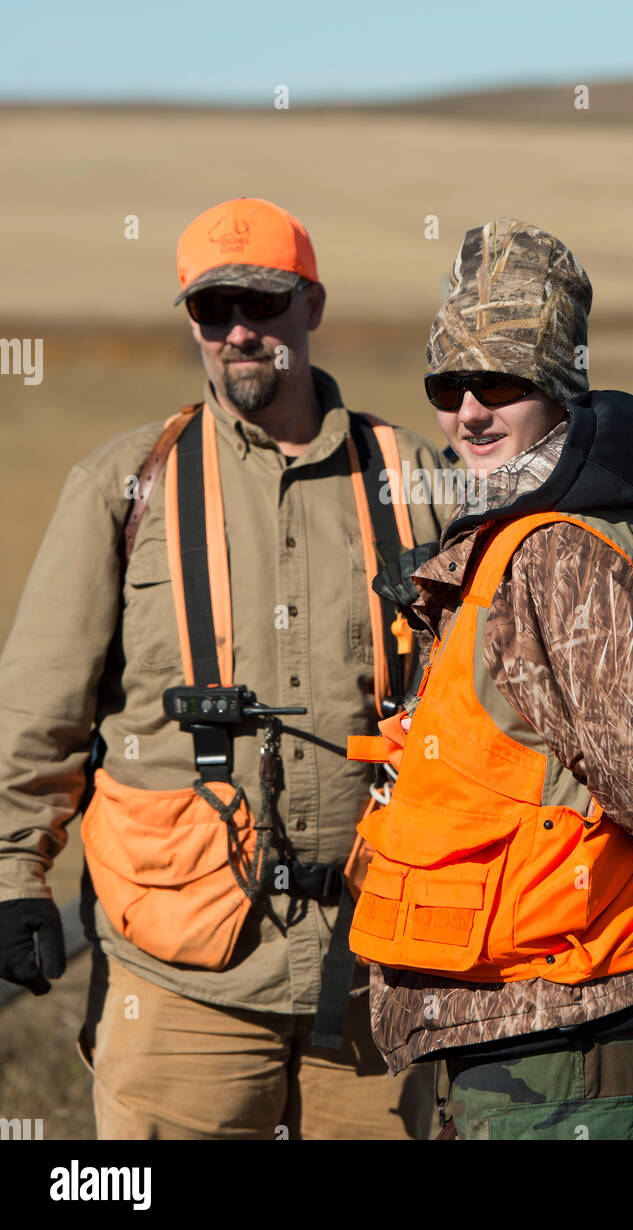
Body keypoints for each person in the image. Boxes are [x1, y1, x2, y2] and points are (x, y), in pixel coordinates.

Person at [0, 196, 454, 1140]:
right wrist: (13, 874)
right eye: (213, 311)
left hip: (375, 968)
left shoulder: (417, 480)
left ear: (313, 307)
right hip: (177, 978)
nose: (240, 330)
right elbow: (38, 708)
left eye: (264, 301)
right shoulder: (124, 485)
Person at [348, 217, 633, 1141]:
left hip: (572, 1017)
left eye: (501, 384)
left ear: (560, 393)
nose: (468, 414)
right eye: (448, 388)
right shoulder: (514, 533)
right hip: (534, 1011)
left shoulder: (558, 552)